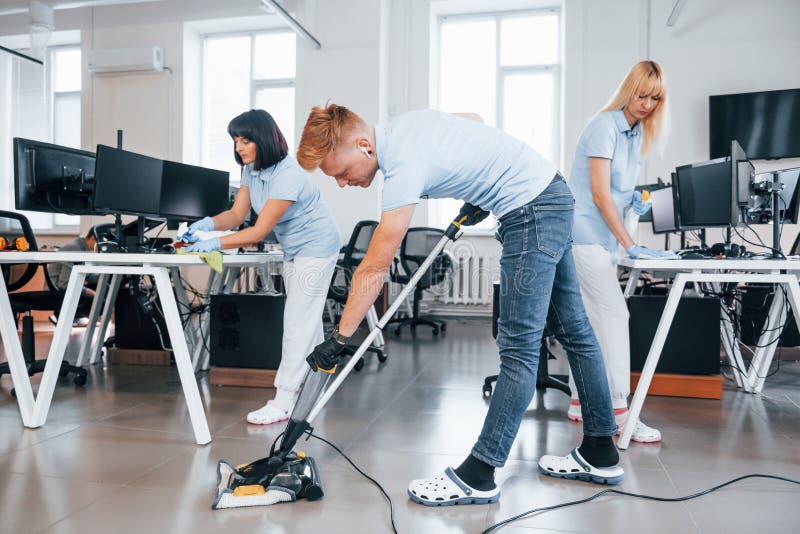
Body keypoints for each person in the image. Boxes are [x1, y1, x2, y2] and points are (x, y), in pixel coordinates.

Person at [296, 103, 623, 506]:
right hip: (551, 196)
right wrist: (481, 187)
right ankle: (600, 451)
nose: (343, 184)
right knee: (575, 331)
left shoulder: (401, 166)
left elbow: (375, 264)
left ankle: (480, 474)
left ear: (364, 146)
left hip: (529, 211)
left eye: (341, 173)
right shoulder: (405, 124)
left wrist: (340, 336)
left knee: (519, 348)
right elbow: (473, 122)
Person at [182, 109, 341, 425]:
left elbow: (258, 231)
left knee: (297, 323)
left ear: (264, 139)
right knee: (305, 323)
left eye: (246, 140)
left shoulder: (288, 175)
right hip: (296, 249)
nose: (239, 147)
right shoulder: (251, 171)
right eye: (236, 140)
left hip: (317, 246)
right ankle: (309, 391)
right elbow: (237, 216)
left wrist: (214, 243)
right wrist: (206, 224)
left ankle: (283, 401)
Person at [568, 60, 674, 443]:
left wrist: (632, 200)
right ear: (629, 89)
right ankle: (619, 413)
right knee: (614, 315)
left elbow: (614, 189)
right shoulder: (604, 126)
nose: (646, 104)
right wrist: (631, 244)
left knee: (593, 323)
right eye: (642, 94)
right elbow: (597, 193)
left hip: (602, 239)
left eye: (654, 98)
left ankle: (581, 401)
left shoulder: (634, 135)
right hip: (582, 235)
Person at [47, 226, 99, 327]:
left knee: (105, 288)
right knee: (99, 300)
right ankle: (64, 315)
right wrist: (93, 292)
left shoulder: (84, 248)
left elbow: (87, 276)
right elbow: (65, 283)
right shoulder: (75, 248)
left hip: (65, 286)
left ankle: (73, 316)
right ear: (93, 238)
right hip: (57, 290)